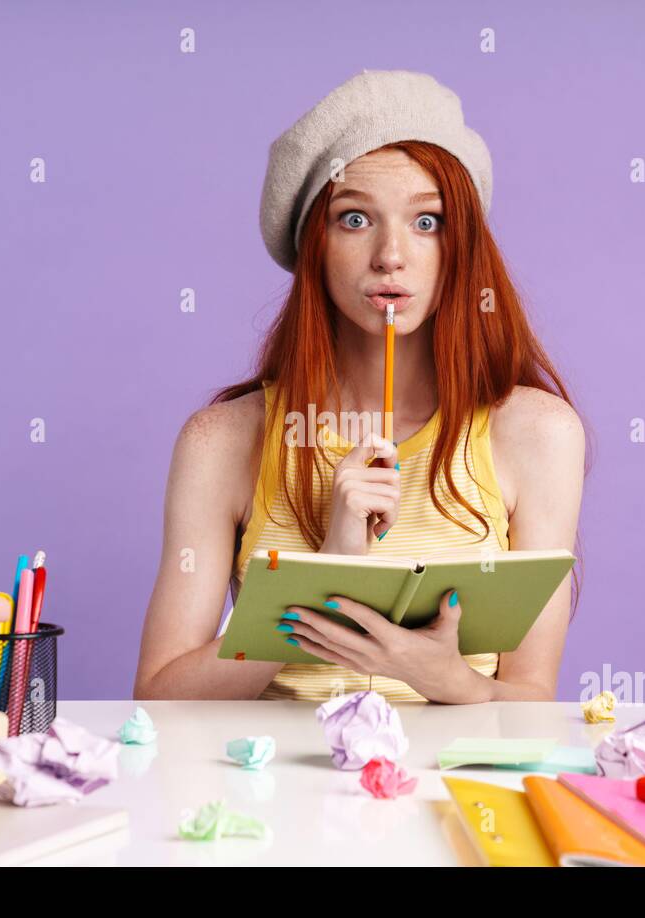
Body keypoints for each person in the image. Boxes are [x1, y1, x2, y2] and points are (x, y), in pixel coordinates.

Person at [135, 69, 588, 703]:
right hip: (275, 796)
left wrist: (450, 680)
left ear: (463, 248)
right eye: (354, 219)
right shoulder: (221, 440)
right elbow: (161, 697)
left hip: (450, 795)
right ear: (314, 244)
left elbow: (532, 700)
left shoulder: (540, 433)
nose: (391, 255)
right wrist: (329, 568)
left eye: (427, 223)